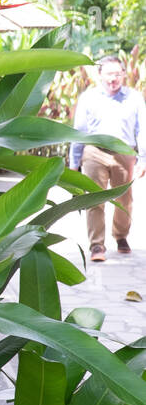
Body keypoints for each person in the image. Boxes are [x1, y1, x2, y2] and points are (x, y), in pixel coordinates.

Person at [71, 56, 146, 262]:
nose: (113, 78)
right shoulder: (89, 97)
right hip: (95, 152)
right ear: (100, 75)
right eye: (109, 74)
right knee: (95, 198)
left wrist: (143, 159)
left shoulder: (134, 98)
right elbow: (79, 131)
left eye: (117, 74)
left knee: (125, 199)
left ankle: (121, 236)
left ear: (123, 74)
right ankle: (97, 245)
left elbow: (142, 130)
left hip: (124, 152)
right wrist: (73, 163)